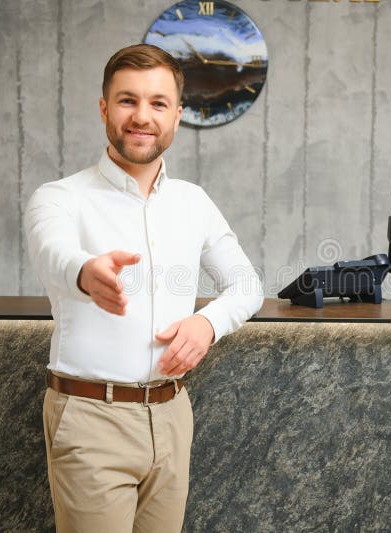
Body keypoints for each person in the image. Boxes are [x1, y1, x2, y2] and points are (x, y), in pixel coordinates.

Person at [24, 43, 263, 532]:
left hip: (173, 415)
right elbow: (55, 255)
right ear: (104, 108)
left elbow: (247, 285)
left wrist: (207, 322)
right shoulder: (59, 198)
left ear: (177, 115)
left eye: (157, 103)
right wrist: (88, 272)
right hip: (91, 418)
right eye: (127, 100)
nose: (141, 116)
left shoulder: (193, 202)